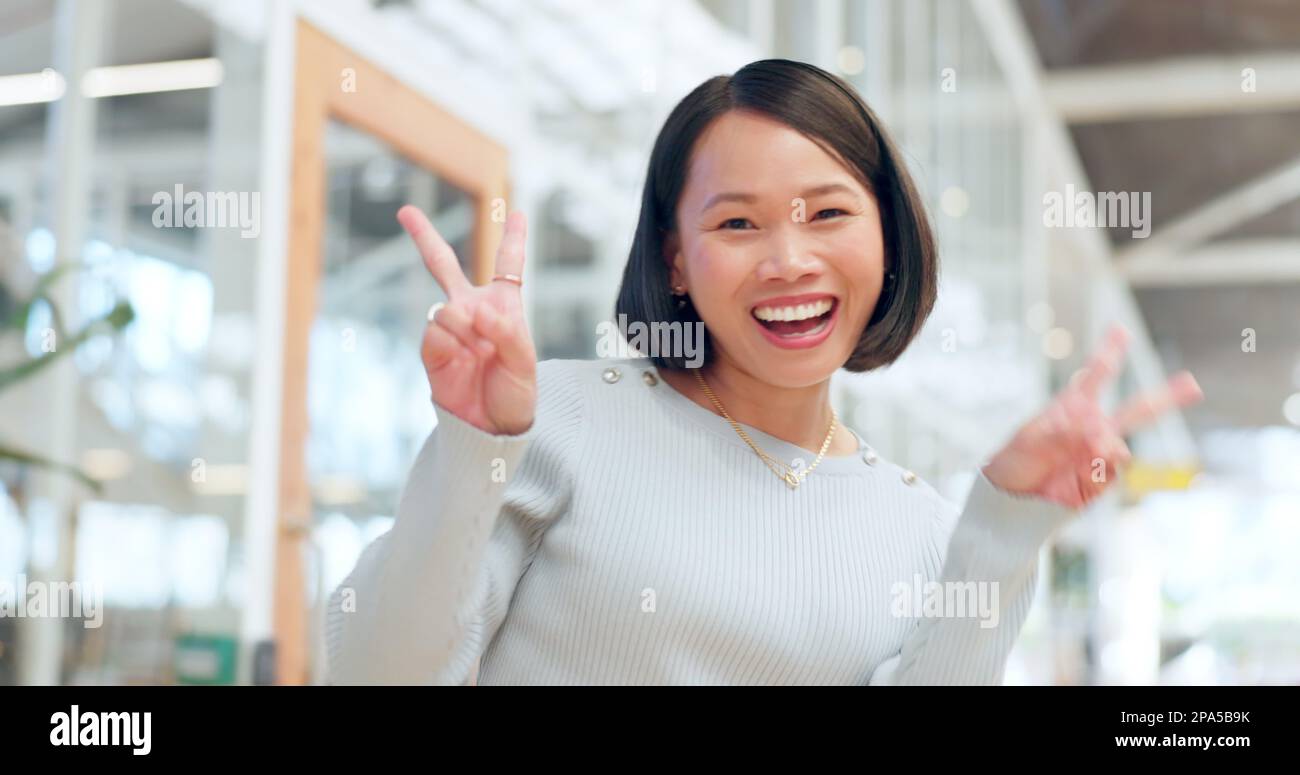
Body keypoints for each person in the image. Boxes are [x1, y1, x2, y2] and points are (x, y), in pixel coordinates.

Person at [324, 59, 1202, 685]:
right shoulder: (556, 420)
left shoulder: (924, 529)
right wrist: (475, 445)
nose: (788, 260)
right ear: (675, 261)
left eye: (826, 213)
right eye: (737, 225)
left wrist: (1006, 523)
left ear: (888, 237)